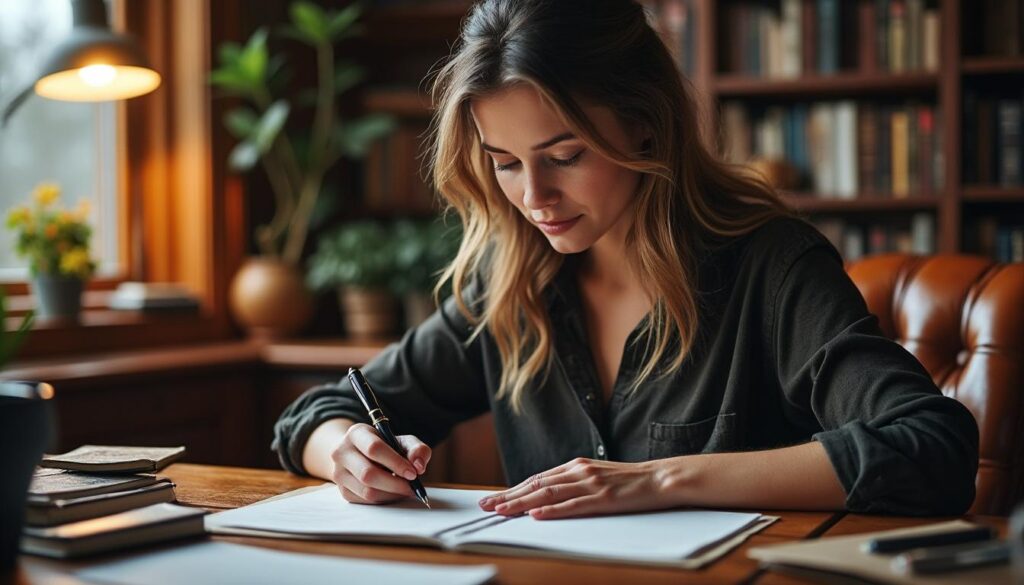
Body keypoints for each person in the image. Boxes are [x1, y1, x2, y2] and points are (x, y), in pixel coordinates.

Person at [273, 0, 978, 519]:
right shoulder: (509, 283)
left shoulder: (771, 265)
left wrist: (661, 479)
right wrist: (346, 449)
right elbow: (317, 411)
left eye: (565, 156)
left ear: (644, 122)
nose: (534, 196)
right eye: (506, 164)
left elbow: (930, 445)